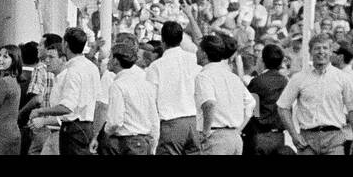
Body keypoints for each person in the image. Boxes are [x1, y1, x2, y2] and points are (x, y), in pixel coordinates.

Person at [276, 33, 353, 155]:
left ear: (331, 52)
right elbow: (282, 107)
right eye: (317, 48)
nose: (321, 52)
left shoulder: (342, 78)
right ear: (310, 52)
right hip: (307, 141)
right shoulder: (299, 78)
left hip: (335, 139)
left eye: (325, 48)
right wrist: (294, 135)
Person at [33, 26, 100, 155]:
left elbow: (67, 107)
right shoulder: (92, 68)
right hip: (87, 126)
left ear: (65, 44)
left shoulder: (73, 71)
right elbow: (97, 101)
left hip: (73, 128)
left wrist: (41, 111)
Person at [194, 32, 254, 155]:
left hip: (216, 138)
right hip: (235, 138)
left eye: (198, 50)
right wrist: (238, 129)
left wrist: (205, 132)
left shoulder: (204, 76)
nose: (196, 52)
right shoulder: (233, 77)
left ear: (204, 54)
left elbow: (209, 103)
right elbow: (251, 103)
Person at [146, 19, 200, 154]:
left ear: (162, 41)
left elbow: (150, 101)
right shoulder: (194, 59)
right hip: (194, 122)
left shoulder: (156, 66)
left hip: (171, 123)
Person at [103, 40, 158, 155]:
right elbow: (153, 117)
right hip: (144, 141)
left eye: (110, 57)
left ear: (116, 61)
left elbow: (115, 121)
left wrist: (105, 132)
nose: (108, 60)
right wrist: (153, 142)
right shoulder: (145, 83)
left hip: (128, 142)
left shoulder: (118, 85)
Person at [246, 42, 289, 155]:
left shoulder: (257, 82)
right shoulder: (285, 81)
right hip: (279, 136)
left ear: (262, 60)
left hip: (260, 137)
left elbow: (252, 109)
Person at [0, 48, 23, 155]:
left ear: (14, 60)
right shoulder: (14, 81)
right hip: (14, 133)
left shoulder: (4, 82)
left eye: (5, 56)